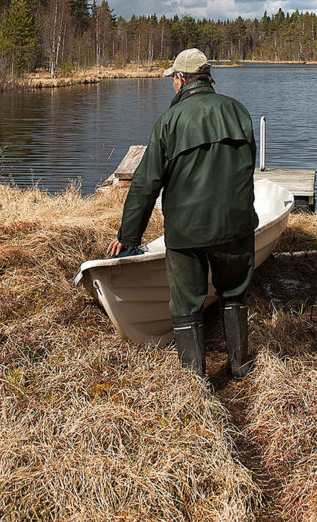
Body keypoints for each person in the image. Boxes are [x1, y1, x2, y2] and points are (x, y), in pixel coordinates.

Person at [105, 48, 258, 379]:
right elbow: (247, 169)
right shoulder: (238, 111)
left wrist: (128, 237)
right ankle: (241, 367)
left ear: (180, 79)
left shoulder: (169, 122)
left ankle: (194, 383)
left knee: (187, 306)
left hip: (187, 233)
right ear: (207, 78)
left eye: (172, 79)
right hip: (236, 226)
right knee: (233, 294)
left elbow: (145, 185)